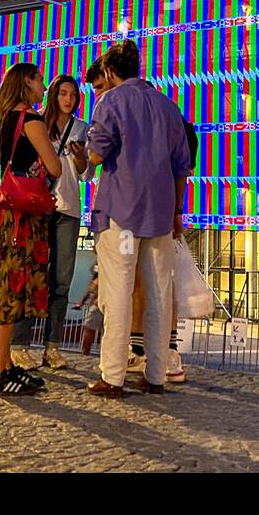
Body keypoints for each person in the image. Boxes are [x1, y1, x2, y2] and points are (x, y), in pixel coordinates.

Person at [85, 39, 192, 397]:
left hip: (122, 215)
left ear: (111, 72)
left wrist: (82, 151)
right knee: (159, 295)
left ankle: (112, 375)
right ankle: (156, 375)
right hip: (161, 215)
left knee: (118, 293)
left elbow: (97, 156)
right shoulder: (167, 106)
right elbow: (182, 166)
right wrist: (178, 211)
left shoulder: (110, 102)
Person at [0, 62, 61, 397]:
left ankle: (6, 365)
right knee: (10, 288)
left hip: (9, 211)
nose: (43, 86)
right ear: (27, 81)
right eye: (40, 79)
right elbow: (55, 166)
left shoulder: (7, 118)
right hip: (23, 215)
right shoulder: (31, 119)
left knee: (9, 283)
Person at [12, 74, 91, 371]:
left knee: (61, 281)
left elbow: (85, 175)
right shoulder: (37, 123)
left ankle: (52, 347)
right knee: (32, 275)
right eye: (63, 93)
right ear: (53, 95)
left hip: (68, 208)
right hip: (39, 206)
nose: (68, 99)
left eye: (73, 94)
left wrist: (81, 158)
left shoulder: (82, 128)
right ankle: (20, 345)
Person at [74, 266, 102, 355]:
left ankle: (85, 352)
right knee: (104, 332)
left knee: (88, 329)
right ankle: (103, 354)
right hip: (104, 306)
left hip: (96, 306)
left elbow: (89, 291)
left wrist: (82, 302)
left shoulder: (97, 280)